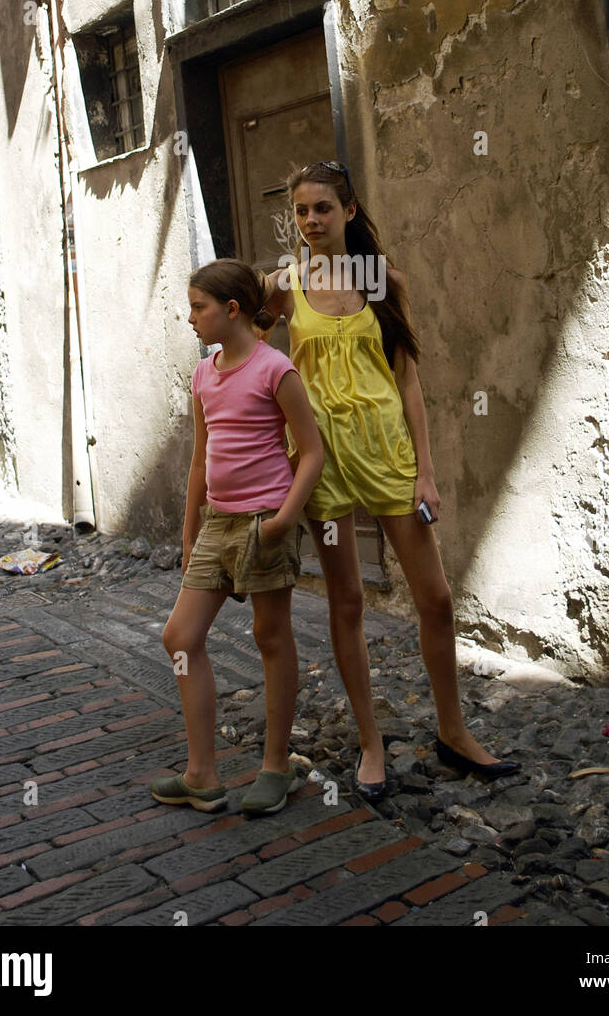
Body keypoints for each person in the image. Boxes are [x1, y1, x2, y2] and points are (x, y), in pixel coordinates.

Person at [260, 161, 521, 799]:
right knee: (346, 601)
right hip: (320, 463)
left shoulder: (385, 282)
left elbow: (408, 381)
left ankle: (453, 731)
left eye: (322, 208)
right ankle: (371, 742)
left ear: (349, 212)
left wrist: (426, 473)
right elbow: (252, 359)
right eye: (300, 211)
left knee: (435, 598)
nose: (310, 221)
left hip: (389, 457)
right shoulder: (284, 287)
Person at [151, 259, 325, 816]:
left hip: (264, 521)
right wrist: (189, 529)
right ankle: (202, 773)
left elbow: (312, 453)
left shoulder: (277, 370)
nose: (191, 319)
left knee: (270, 637)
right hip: (217, 526)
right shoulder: (203, 375)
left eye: (198, 308)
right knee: (180, 637)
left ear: (231, 310)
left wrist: (281, 520)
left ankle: (276, 768)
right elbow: (201, 458)